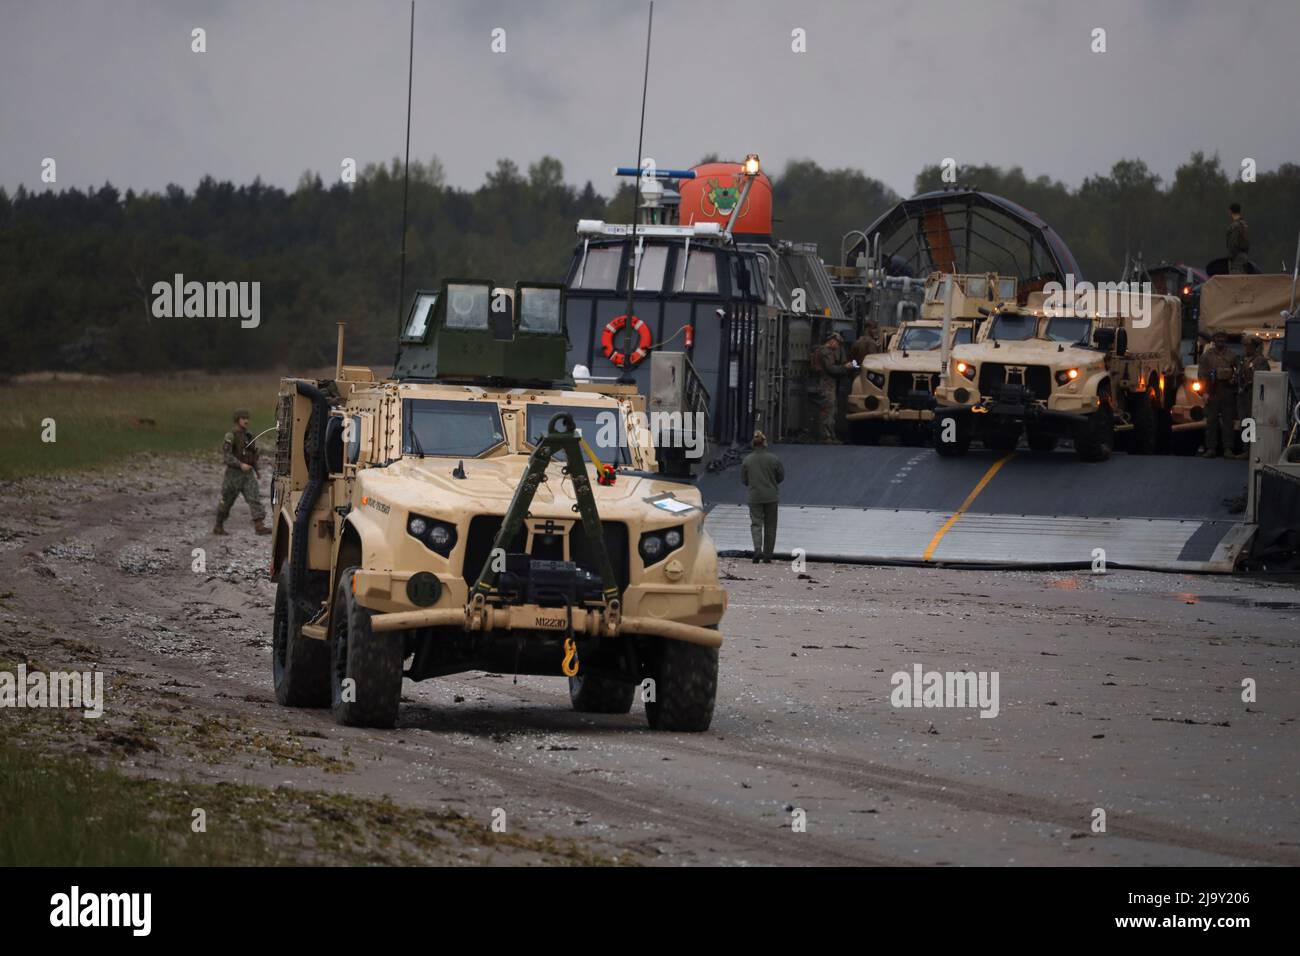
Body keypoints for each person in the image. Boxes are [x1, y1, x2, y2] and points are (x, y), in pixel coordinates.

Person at [214, 409, 270, 535]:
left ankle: (259, 526)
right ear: (237, 420)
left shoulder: (249, 435)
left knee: (254, 497)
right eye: (243, 418)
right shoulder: (231, 436)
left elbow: (252, 453)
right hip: (233, 475)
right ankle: (219, 525)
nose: (246, 421)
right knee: (227, 500)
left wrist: (256, 470)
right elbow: (227, 456)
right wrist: (240, 464)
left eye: (247, 418)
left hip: (247, 474)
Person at [741, 431, 783, 563]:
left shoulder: (747, 460)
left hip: (754, 497)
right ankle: (768, 555)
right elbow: (780, 476)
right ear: (765, 443)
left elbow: (744, 480)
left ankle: (757, 549)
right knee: (770, 526)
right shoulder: (774, 459)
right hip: (771, 496)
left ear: (753, 444)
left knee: (756, 524)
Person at [1197, 332, 1238, 458]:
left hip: (1228, 391)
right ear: (1213, 339)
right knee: (1211, 421)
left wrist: (1234, 380)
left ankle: (1228, 449)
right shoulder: (1206, 356)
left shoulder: (1232, 355)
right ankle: (1211, 448)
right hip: (1212, 392)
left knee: (1228, 422)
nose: (1220, 340)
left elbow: (1239, 371)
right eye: (1217, 337)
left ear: (1226, 339)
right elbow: (1202, 375)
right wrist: (1204, 392)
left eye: (1223, 337)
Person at [810, 332, 856, 443]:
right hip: (826, 384)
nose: (838, 346)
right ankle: (826, 437)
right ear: (832, 341)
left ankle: (829, 435)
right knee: (828, 410)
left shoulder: (822, 350)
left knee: (830, 409)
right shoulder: (825, 352)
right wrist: (845, 367)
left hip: (826, 384)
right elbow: (831, 369)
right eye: (838, 343)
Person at [1237, 336, 1272, 449]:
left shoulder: (1260, 361)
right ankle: (1245, 448)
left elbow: (1261, 377)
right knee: (1245, 421)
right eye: (1245, 345)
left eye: (1248, 346)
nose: (1245, 348)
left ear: (1255, 347)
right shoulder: (1243, 359)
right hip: (1243, 396)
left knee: (1252, 422)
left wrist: (1248, 383)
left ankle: (1251, 450)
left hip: (1254, 396)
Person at [1226, 203, 1250, 275]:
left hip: (1236, 260)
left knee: (1235, 282)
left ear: (1230, 211)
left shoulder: (1234, 226)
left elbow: (1232, 244)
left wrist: (1231, 257)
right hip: (1244, 257)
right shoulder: (1244, 224)